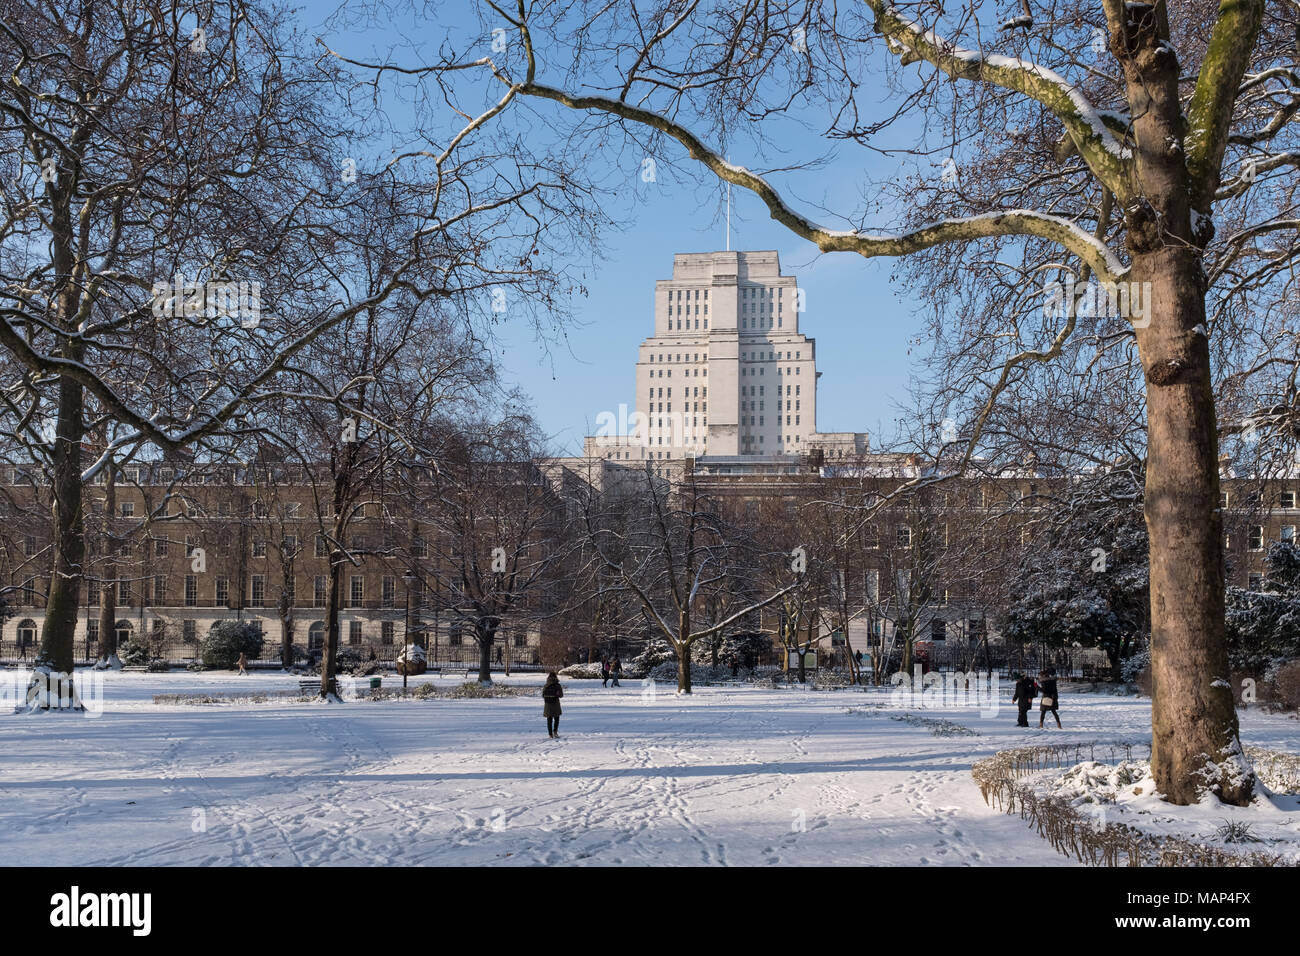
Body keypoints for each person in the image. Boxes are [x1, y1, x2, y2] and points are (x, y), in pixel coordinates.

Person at [542, 672, 564, 738]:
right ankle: (555, 732)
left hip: (548, 704)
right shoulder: (557, 685)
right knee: (556, 718)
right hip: (555, 704)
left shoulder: (546, 685)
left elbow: (543, 695)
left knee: (549, 720)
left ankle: (550, 734)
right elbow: (561, 695)